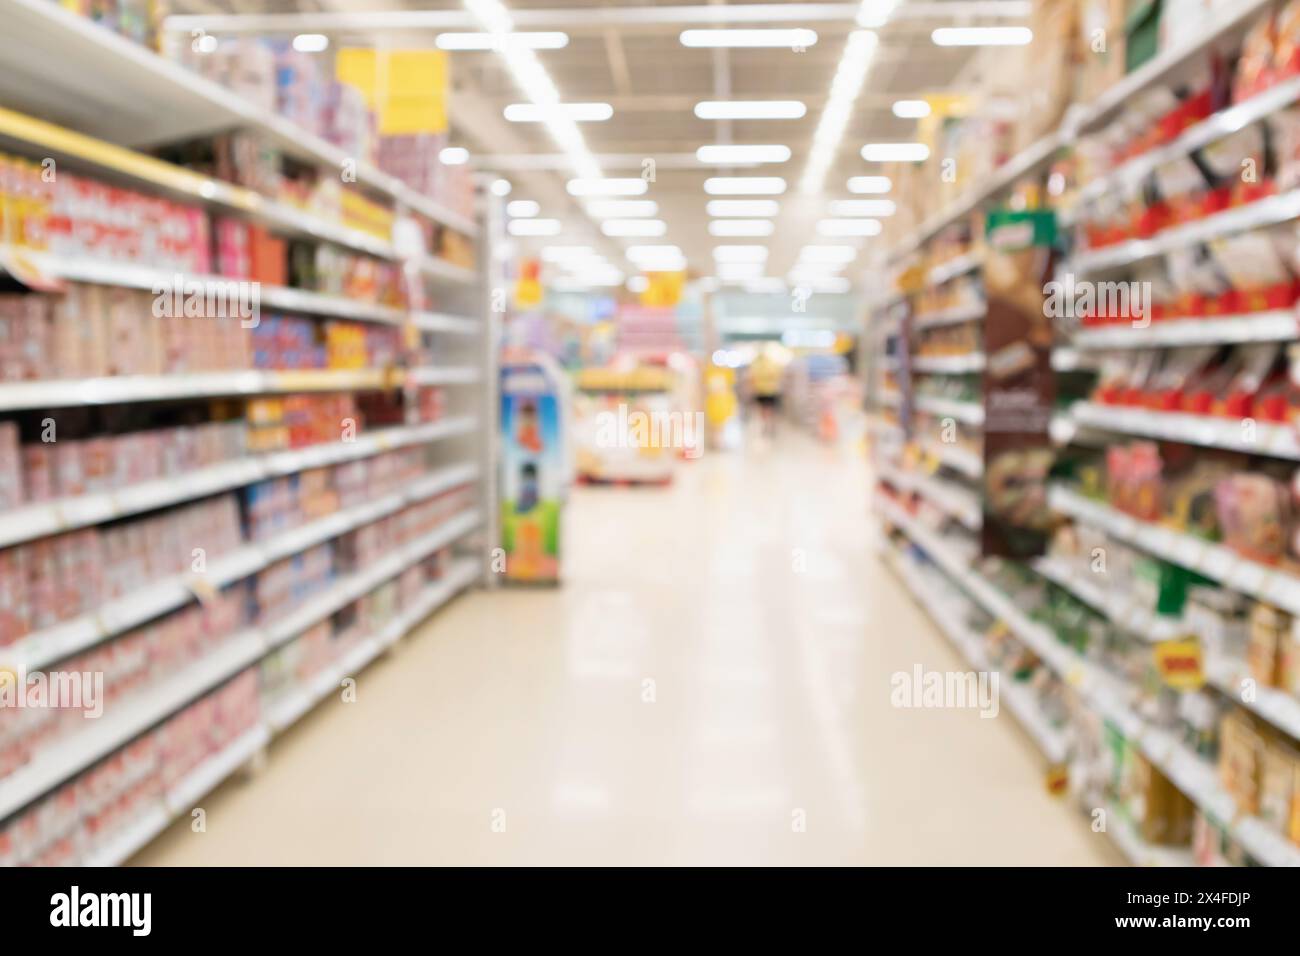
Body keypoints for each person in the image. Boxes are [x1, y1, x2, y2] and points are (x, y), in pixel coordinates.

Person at [748, 349, 783, 438]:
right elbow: (778, 377)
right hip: (769, 391)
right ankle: (769, 425)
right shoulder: (772, 365)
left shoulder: (757, 365)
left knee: (764, 410)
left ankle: (767, 424)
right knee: (769, 409)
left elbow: (752, 379)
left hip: (763, 391)